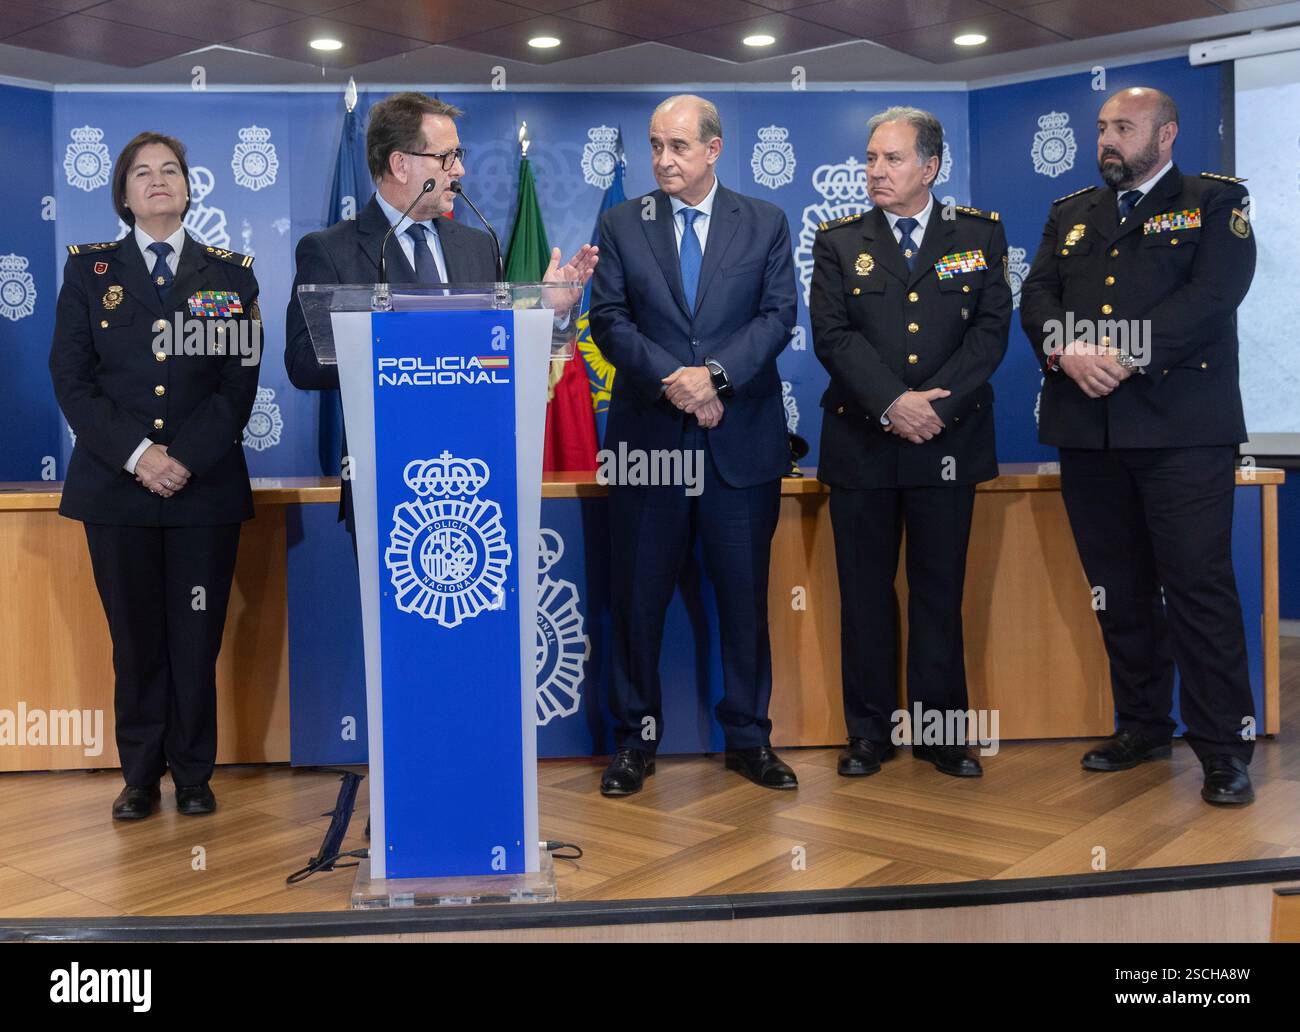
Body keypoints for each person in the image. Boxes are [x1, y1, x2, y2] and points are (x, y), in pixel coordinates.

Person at [1020, 86, 1258, 805]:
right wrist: (1067, 354)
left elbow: (1214, 294)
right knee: (1118, 594)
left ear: (1168, 134)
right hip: (1090, 433)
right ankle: (1144, 726)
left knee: (1196, 590)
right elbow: (1037, 298)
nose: (1107, 140)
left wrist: (1119, 352)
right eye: (1102, 128)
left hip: (1183, 433)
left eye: (1124, 127)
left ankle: (1222, 750)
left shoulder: (1214, 202)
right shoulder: (1071, 213)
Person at [49, 131, 262, 820]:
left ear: (188, 187)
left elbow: (238, 384)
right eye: (143, 172)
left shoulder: (230, 275)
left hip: (203, 491)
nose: (158, 180)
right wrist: (141, 455)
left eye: (170, 169)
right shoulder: (90, 273)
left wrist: (184, 459)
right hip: (118, 491)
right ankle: (140, 775)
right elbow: (72, 379)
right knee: (135, 638)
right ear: (125, 193)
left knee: (195, 638)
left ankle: (195, 775)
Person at [589, 94, 798, 795]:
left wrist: (712, 377)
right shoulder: (623, 222)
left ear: (713, 148)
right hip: (650, 445)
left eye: (677, 146)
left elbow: (777, 318)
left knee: (743, 603)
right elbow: (610, 320)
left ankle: (748, 739)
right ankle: (634, 744)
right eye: (655, 145)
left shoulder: (764, 221)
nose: (662, 160)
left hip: (740, 448)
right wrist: (674, 381)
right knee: (637, 604)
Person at [284, 91, 596, 535]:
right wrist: (397, 343)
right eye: (447, 157)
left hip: (481, 475)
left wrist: (549, 312)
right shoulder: (330, 249)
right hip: (388, 477)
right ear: (400, 164)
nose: (461, 170)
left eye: (460, 155)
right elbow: (301, 362)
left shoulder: (477, 244)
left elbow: (499, 350)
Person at [810, 106, 1011, 780]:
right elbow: (833, 337)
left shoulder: (979, 235)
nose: (875, 172)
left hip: (946, 442)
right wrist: (894, 404)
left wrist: (934, 410)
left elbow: (989, 333)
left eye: (891, 159)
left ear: (930, 167)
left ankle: (941, 733)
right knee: (865, 595)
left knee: (938, 592)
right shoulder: (838, 241)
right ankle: (869, 734)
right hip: (863, 441)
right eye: (870, 158)